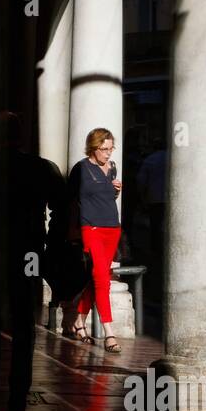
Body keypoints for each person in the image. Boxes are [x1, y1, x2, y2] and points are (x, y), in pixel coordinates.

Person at [0, 112, 67, 411]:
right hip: (29, 252)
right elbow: (62, 208)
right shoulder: (41, 167)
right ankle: (18, 394)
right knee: (23, 324)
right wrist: (51, 243)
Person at [68, 127, 123, 352]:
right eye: (104, 149)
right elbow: (69, 200)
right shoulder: (81, 169)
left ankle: (78, 321)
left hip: (112, 227)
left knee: (97, 277)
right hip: (90, 227)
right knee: (102, 278)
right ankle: (109, 333)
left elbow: (108, 196)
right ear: (93, 147)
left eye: (111, 149)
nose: (108, 154)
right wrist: (70, 230)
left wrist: (116, 191)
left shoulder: (112, 168)